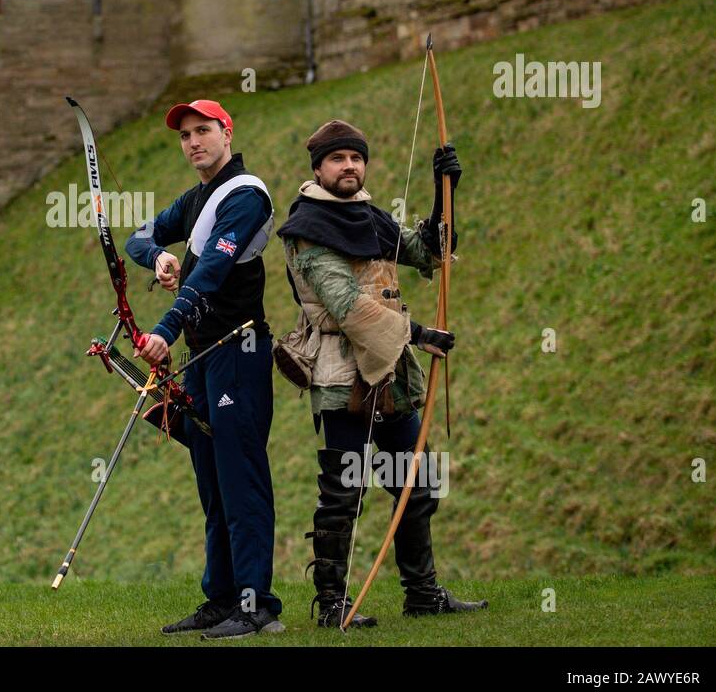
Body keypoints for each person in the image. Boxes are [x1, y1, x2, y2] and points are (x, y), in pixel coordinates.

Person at [276, 118, 487, 627]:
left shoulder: (370, 216)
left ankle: (423, 594)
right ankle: (331, 606)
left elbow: (427, 253)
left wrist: (444, 195)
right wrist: (420, 335)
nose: (349, 166)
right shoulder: (307, 228)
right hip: (339, 377)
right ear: (318, 168)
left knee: (417, 482)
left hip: (388, 375)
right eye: (337, 159)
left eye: (355, 158)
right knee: (344, 492)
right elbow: (344, 307)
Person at [125, 99, 282, 639]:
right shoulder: (192, 201)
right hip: (203, 360)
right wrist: (159, 259)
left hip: (239, 351)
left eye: (203, 131)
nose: (193, 141)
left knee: (241, 479)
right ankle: (220, 598)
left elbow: (213, 269)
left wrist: (164, 330)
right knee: (211, 482)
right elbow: (138, 237)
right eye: (186, 134)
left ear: (226, 133)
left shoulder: (245, 196)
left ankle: (256, 602)